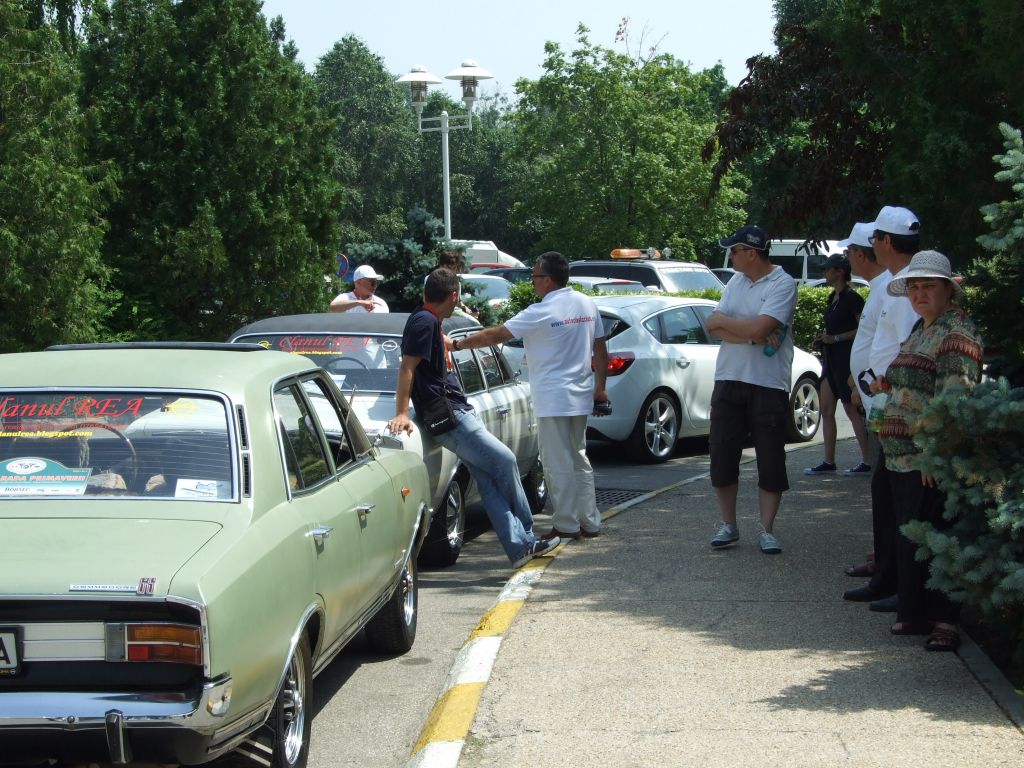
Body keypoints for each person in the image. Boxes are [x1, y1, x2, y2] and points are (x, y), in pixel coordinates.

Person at [386, 268, 558, 568]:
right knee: (505, 461)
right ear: (453, 296)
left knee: (489, 482)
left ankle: (519, 550)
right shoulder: (424, 322)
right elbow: (407, 368)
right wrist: (401, 412)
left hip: (454, 410)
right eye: (457, 298)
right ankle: (528, 533)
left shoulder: (427, 320)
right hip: (449, 415)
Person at [446, 252, 608, 540]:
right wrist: (600, 387)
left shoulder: (541, 311)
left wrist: (457, 344)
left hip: (553, 397)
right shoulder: (586, 303)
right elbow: (600, 347)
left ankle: (567, 524)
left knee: (557, 462)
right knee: (579, 458)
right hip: (580, 394)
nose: (532, 282)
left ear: (547, 280)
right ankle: (590, 521)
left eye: (534, 277)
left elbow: (496, 335)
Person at [878, 251, 982, 651]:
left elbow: (955, 400)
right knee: (914, 538)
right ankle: (918, 614)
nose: (919, 294)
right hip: (901, 458)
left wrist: (934, 452)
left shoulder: (955, 334)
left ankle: (946, 624)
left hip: (927, 459)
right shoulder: (923, 329)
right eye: (914, 287)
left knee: (937, 535)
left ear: (948, 290)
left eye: (928, 286)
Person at [843, 206, 921, 610]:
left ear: (887, 242)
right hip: (881, 403)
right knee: (885, 493)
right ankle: (889, 578)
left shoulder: (908, 287)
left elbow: (910, 351)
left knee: (897, 497)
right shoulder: (895, 283)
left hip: (896, 408)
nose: (870, 247)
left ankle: (898, 585)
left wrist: (877, 386)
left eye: (874, 239)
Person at [704, 225, 797, 554]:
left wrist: (742, 327)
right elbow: (711, 325)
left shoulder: (783, 283)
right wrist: (750, 335)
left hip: (768, 384)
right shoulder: (736, 282)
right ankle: (728, 525)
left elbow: (762, 327)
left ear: (751, 253)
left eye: (735, 250)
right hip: (729, 378)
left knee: (770, 459)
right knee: (722, 454)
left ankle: (767, 529)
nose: (730, 256)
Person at [838, 221, 891, 578]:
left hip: (888, 408)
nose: (846, 259)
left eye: (848, 253)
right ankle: (884, 556)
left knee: (887, 488)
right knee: (881, 486)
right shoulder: (880, 287)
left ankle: (888, 564)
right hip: (876, 402)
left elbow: (894, 349)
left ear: (860, 253)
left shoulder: (890, 288)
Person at [804, 254, 870, 475]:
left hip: (845, 359)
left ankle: (867, 460)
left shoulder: (853, 298)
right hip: (830, 360)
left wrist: (837, 338)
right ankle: (828, 461)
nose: (824, 273)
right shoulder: (832, 297)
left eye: (828, 269)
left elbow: (863, 329)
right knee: (826, 409)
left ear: (840, 271)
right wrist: (824, 338)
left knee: (852, 409)